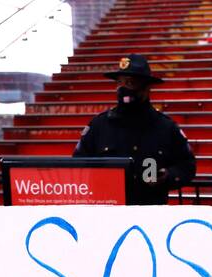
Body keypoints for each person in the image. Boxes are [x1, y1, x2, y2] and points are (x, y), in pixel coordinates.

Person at [72, 53, 195, 205]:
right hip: (107, 212)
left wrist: (167, 176)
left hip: (150, 214)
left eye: (130, 83)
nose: (123, 89)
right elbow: (78, 164)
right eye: (119, 83)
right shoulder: (99, 125)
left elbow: (187, 165)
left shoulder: (166, 127)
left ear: (146, 87)